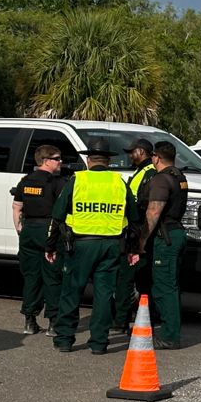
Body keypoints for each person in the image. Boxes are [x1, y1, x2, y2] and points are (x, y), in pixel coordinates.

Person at [45, 140, 138, 354]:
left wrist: (50, 245)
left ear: (88, 161)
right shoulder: (119, 182)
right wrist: (133, 249)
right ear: (108, 161)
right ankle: (99, 343)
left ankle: (65, 340)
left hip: (81, 245)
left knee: (72, 291)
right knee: (104, 295)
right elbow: (134, 219)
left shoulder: (77, 179)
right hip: (111, 245)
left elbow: (58, 215)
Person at [11, 144, 66, 336]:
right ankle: (53, 323)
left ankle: (29, 320)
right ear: (45, 161)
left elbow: (16, 208)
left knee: (31, 277)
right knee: (52, 276)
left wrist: (20, 230)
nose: (61, 162)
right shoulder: (58, 183)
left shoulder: (25, 181)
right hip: (50, 231)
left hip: (28, 231)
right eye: (57, 158)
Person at [142, 141, 188, 349]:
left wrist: (141, 240)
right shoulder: (179, 176)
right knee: (172, 285)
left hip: (165, 237)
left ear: (156, 157)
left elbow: (153, 212)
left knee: (164, 287)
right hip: (176, 232)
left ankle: (169, 336)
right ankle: (171, 331)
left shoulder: (161, 179)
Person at [111, 138, 157, 334]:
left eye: (132, 152)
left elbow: (142, 207)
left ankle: (124, 320)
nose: (130, 155)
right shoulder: (142, 172)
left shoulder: (149, 174)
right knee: (137, 280)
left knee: (129, 279)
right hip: (137, 231)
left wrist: (138, 239)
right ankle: (134, 319)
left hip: (138, 233)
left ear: (141, 152)